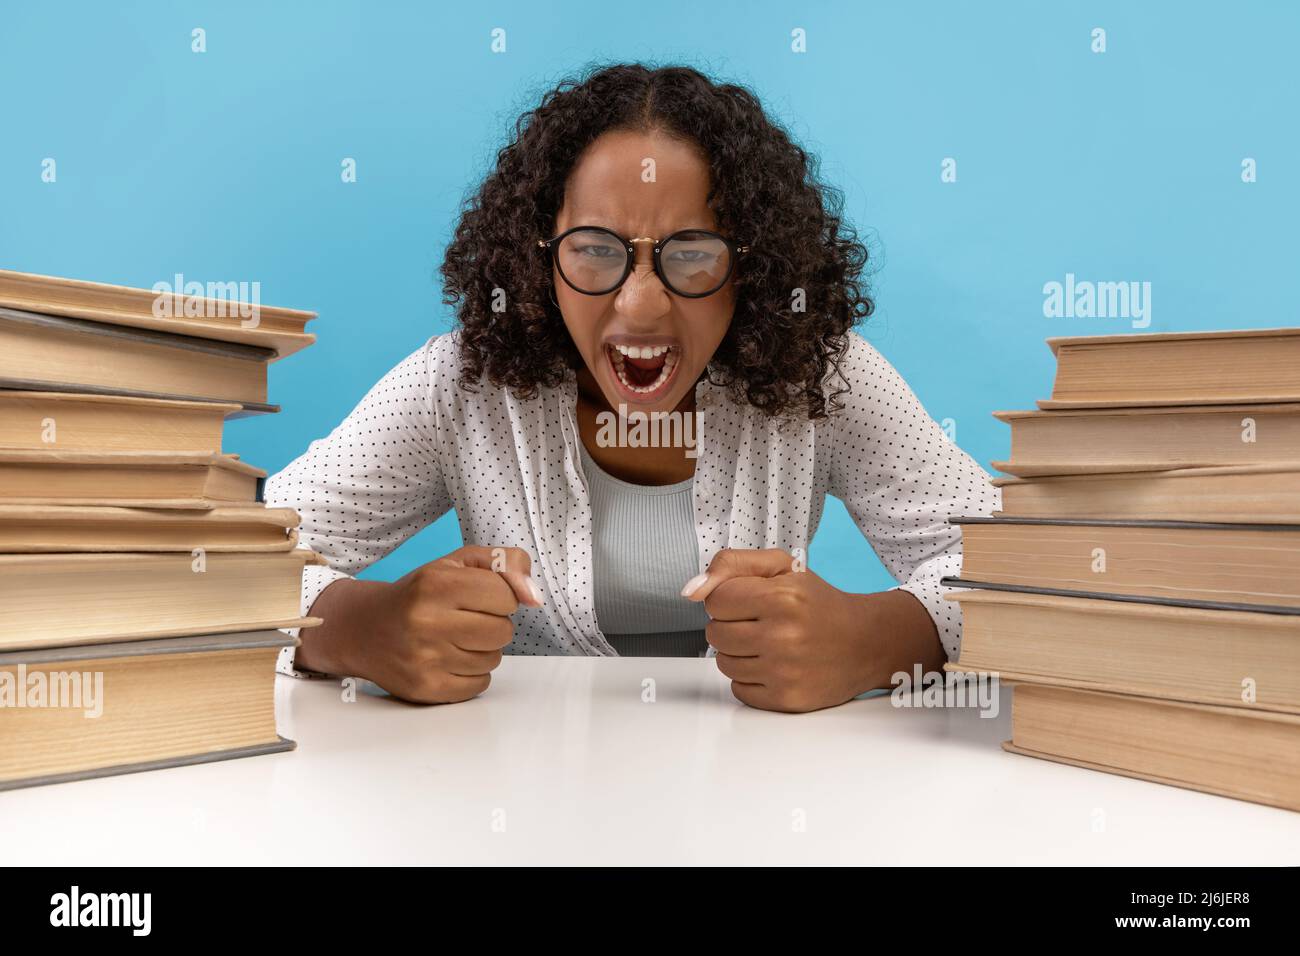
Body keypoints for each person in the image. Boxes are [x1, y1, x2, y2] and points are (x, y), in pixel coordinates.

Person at [265, 63, 999, 713]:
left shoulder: (822, 378)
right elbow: (227, 560)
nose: (642, 305)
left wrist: (879, 639)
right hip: (518, 793)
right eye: (593, 249)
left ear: (754, 265)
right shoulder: (462, 385)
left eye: (693, 252)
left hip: (766, 797)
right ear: (537, 257)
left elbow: (1025, 572)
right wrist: (355, 628)